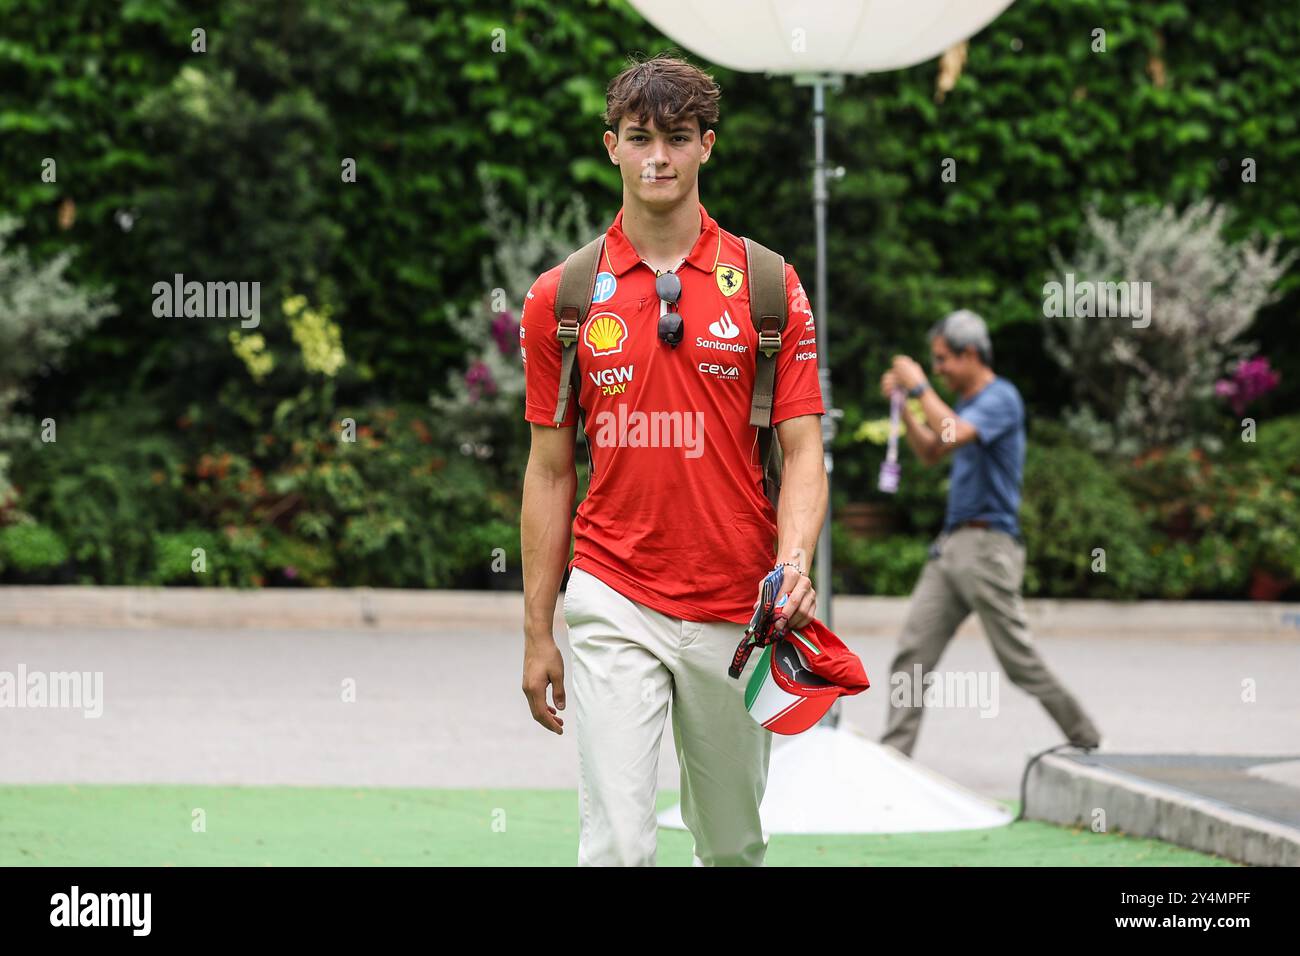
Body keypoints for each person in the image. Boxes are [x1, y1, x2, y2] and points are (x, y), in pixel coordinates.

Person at [518, 53, 828, 866]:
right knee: (619, 843)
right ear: (612, 146)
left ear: (706, 146)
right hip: (613, 593)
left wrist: (792, 563)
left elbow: (802, 450)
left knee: (731, 846)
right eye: (640, 137)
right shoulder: (564, 296)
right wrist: (536, 628)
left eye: (677, 138)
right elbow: (550, 470)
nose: (658, 156)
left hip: (736, 605)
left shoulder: (769, 285)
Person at [878, 309, 1103, 757]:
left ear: (972, 354)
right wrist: (905, 405)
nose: (939, 369)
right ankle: (894, 758)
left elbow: (951, 433)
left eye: (944, 360)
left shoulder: (1002, 399)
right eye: (934, 362)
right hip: (951, 548)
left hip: (988, 548)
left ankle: (1088, 738)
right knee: (912, 656)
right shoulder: (964, 406)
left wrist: (920, 385)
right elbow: (928, 451)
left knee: (1019, 663)